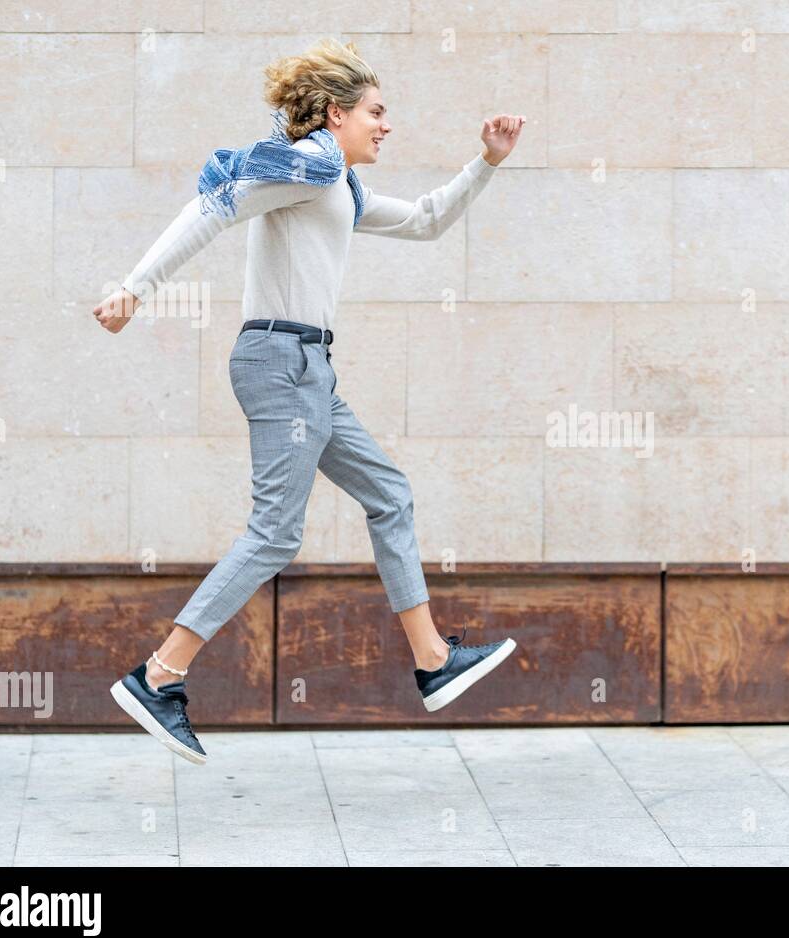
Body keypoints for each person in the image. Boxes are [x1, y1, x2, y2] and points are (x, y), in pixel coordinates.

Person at [94, 37, 526, 764]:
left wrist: (486, 162)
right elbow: (215, 206)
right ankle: (158, 674)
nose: (386, 125)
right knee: (274, 533)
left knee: (388, 492)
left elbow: (424, 219)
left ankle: (430, 659)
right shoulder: (312, 165)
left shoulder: (338, 186)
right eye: (377, 112)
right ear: (336, 113)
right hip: (281, 362)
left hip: (308, 369)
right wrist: (135, 287)